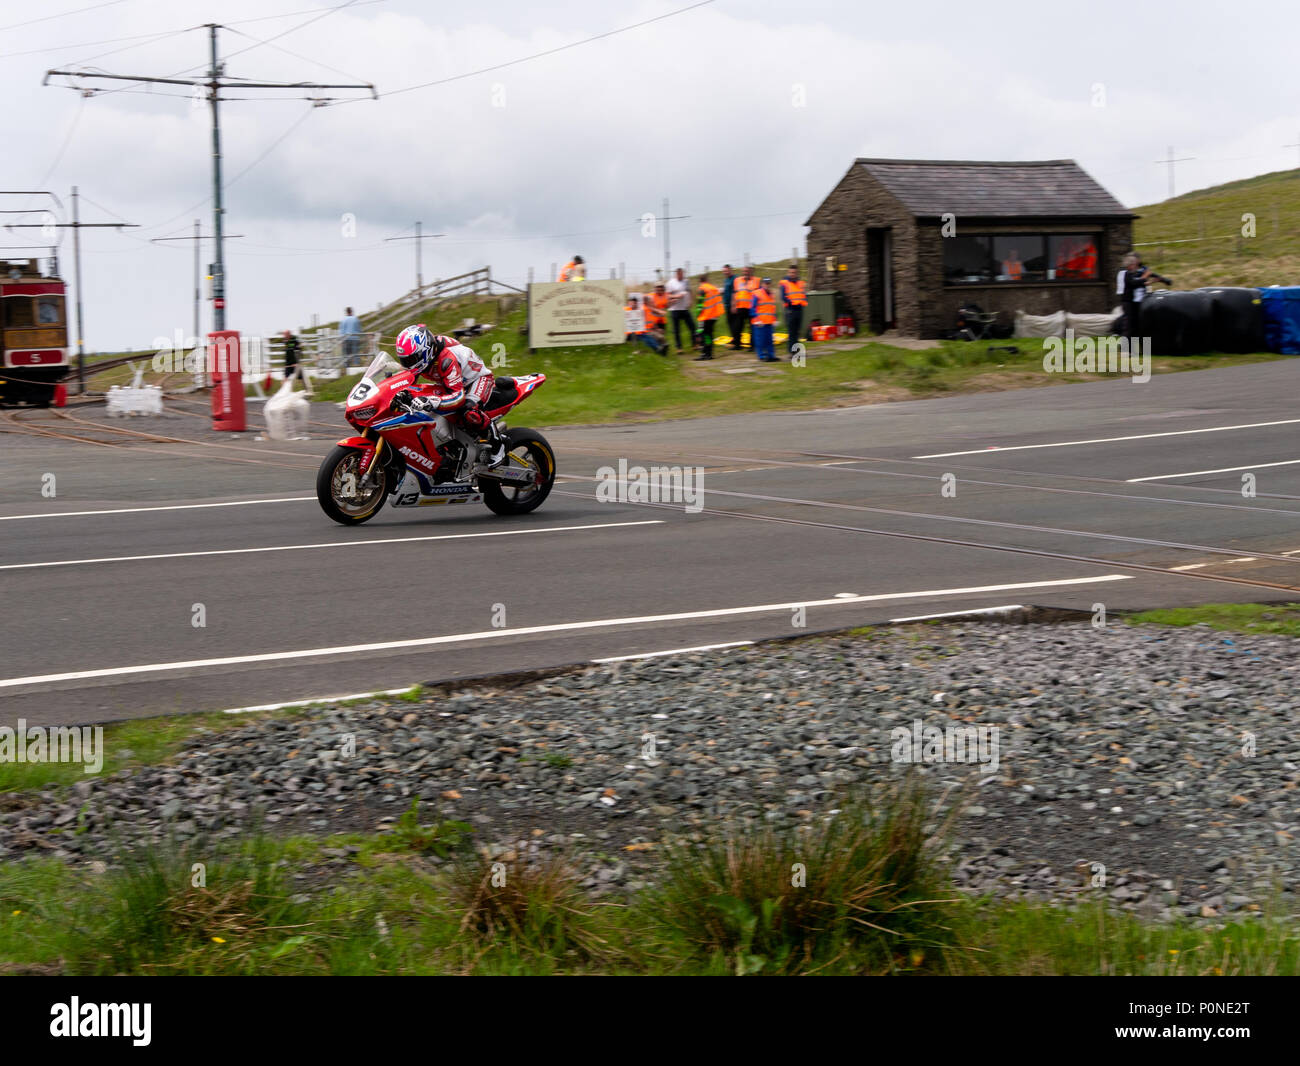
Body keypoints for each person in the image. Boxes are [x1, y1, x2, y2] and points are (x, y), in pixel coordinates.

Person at [393, 324, 506, 465]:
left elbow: (458, 398)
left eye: (411, 359)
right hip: (451, 382)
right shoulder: (423, 358)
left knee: (468, 410)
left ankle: (497, 443)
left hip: (477, 380)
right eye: (404, 360)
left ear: (426, 351)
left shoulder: (446, 359)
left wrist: (432, 401)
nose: (408, 364)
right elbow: (408, 380)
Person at [1117, 252, 1172, 340]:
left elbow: (1149, 277)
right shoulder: (1126, 273)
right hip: (1129, 301)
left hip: (1140, 301)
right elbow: (1133, 283)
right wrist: (1145, 277)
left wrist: (1164, 280)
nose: (1135, 264)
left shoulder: (1142, 269)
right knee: (1129, 326)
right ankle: (1127, 348)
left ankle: (1138, 349)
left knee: (1139, 325)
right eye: (1133, 262)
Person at [665, 267, 697, 352]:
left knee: (692, 326)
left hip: (685, 308)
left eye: (683, 274)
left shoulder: (686, 281)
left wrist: (690, 300)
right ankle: (679, 348)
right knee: (677, 330)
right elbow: (668, 295)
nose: (682, 276)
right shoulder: (670, 283)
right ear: (677, 274)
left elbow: (689, 291)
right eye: (680, 275)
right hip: (675, 309)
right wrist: (676, 296)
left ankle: (694, 344)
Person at [778, 264, 807, 354]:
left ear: (797, 273)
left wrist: (803, 301)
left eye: (794, 272)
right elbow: (783, 297)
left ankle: (796, 350)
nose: (792, 274)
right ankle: (792, 351)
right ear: (788, 272)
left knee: (797, 331)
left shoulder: (800, 283)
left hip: (799, 309)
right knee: (791, 332)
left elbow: (803, 294)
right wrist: (792, 303)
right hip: (790, 310)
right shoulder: (784, 283)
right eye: (791, 272)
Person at [693, 273, 723, 360]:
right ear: (707, 280)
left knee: (703, 335)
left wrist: (697, 314)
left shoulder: (702, 289)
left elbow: (700, 305)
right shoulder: (713, 288)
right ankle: (710, 354)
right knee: (709, 335)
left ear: (700, 281)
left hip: (705, 317)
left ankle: (704, 354)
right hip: (714, 316)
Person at [730, 266, 760, 350]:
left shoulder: (756, 281)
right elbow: (734, 293)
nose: (745, 272)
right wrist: (733, 305)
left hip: (751, 308)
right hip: (740, 307)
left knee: (752, 328)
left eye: (747, 271)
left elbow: (760, 294)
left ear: (751, 271)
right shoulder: (737, 280)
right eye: (744, 271)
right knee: (737, 327)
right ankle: (737, 345)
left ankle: (752, 346)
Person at [750, 277, 778, 362]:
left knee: (769, 340)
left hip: (769, 322)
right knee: (760, 340)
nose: (767, 285)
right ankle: (762, 356)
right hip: (760, 322)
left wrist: (774, 319)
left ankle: (771, 355)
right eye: (766, 283)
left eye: (769, 283)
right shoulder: (757, 293)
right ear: (762, 284)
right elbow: (752, 308)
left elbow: (772, 308)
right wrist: (757, 319)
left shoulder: (771, 294)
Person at [720, 265, 740, 350]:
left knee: (735, 324)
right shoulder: (726, 280)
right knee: (729, 323)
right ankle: (734, 339)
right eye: (724, 271)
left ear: (730, 270)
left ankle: (737, 343)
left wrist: (734, 305)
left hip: (733, 305)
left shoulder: (735, 279)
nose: (725, 272)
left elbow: (735, 292)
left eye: (726, 271)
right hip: (727, 305)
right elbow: (727, 291)